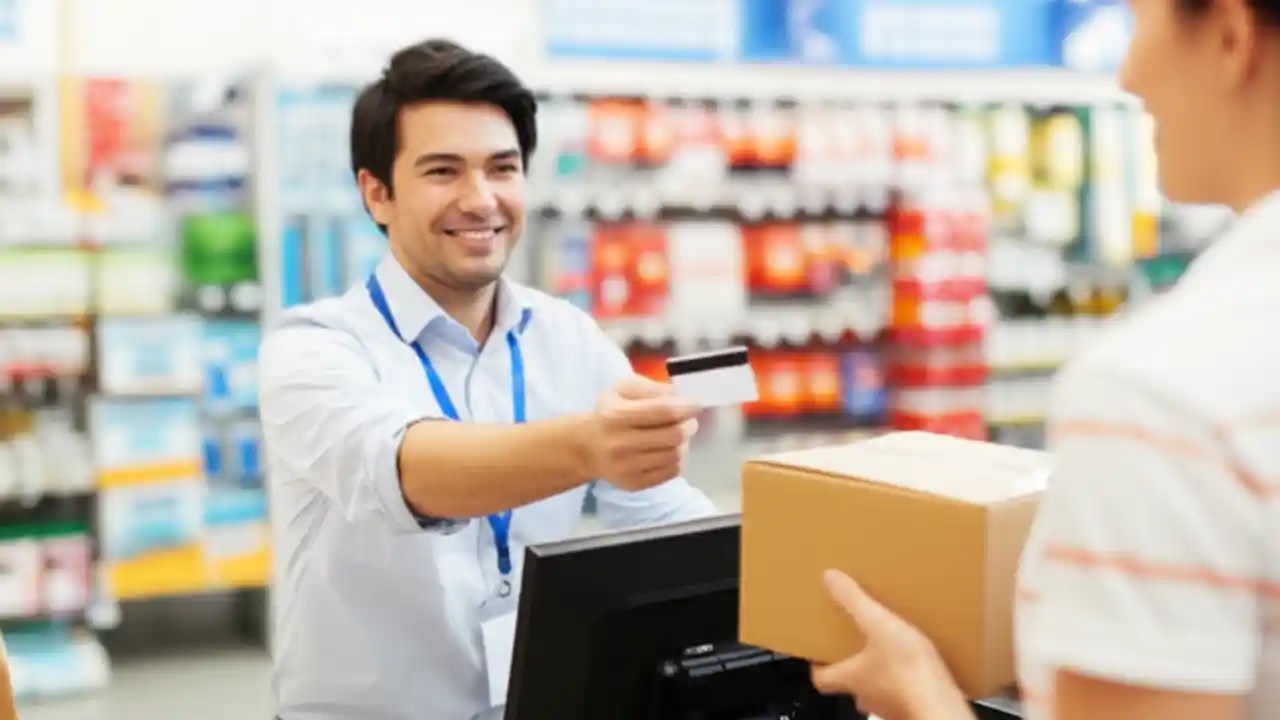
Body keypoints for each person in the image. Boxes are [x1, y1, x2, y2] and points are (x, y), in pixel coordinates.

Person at [809, 1, 1279, 719]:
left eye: (1140, 21)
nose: (1128, 75)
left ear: (1229, 34)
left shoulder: (1161, 393)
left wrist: (921, 697)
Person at [257, 38, 718, 720]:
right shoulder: (314, 348)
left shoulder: (568, 337)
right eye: (443, 171)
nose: (480, 200)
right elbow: (406, 471)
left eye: (503, 169)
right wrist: (590, 446)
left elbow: (662, 519)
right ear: (377, 194)